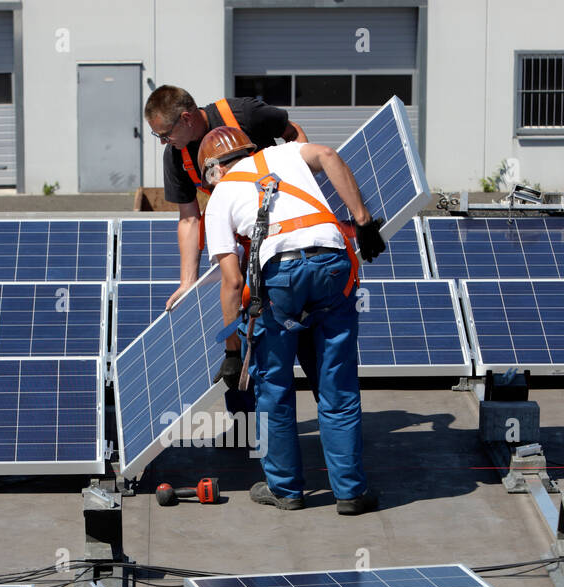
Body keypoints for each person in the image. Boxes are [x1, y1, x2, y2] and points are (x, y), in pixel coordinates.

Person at [199, 126, 386, 515]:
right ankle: (350, 493)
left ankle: (286, 490)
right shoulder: (286, 154)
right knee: (337, 384)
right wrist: (364, 221)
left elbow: (233, 283)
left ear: (214, 169)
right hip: (333, 266)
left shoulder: (218, 200)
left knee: (275, 389)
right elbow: (331, 156)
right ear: (250, 149)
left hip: (279, 280)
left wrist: (233, 351)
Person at [143, 85, 307, 311]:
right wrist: (188, 283)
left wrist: (303, 187)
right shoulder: (175, 157)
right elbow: (189, 219)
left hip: (291, 228)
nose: (162, 142)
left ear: (186, 118)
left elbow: (293, 133)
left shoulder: (243, 113)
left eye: (165, 134)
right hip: (251, 241)